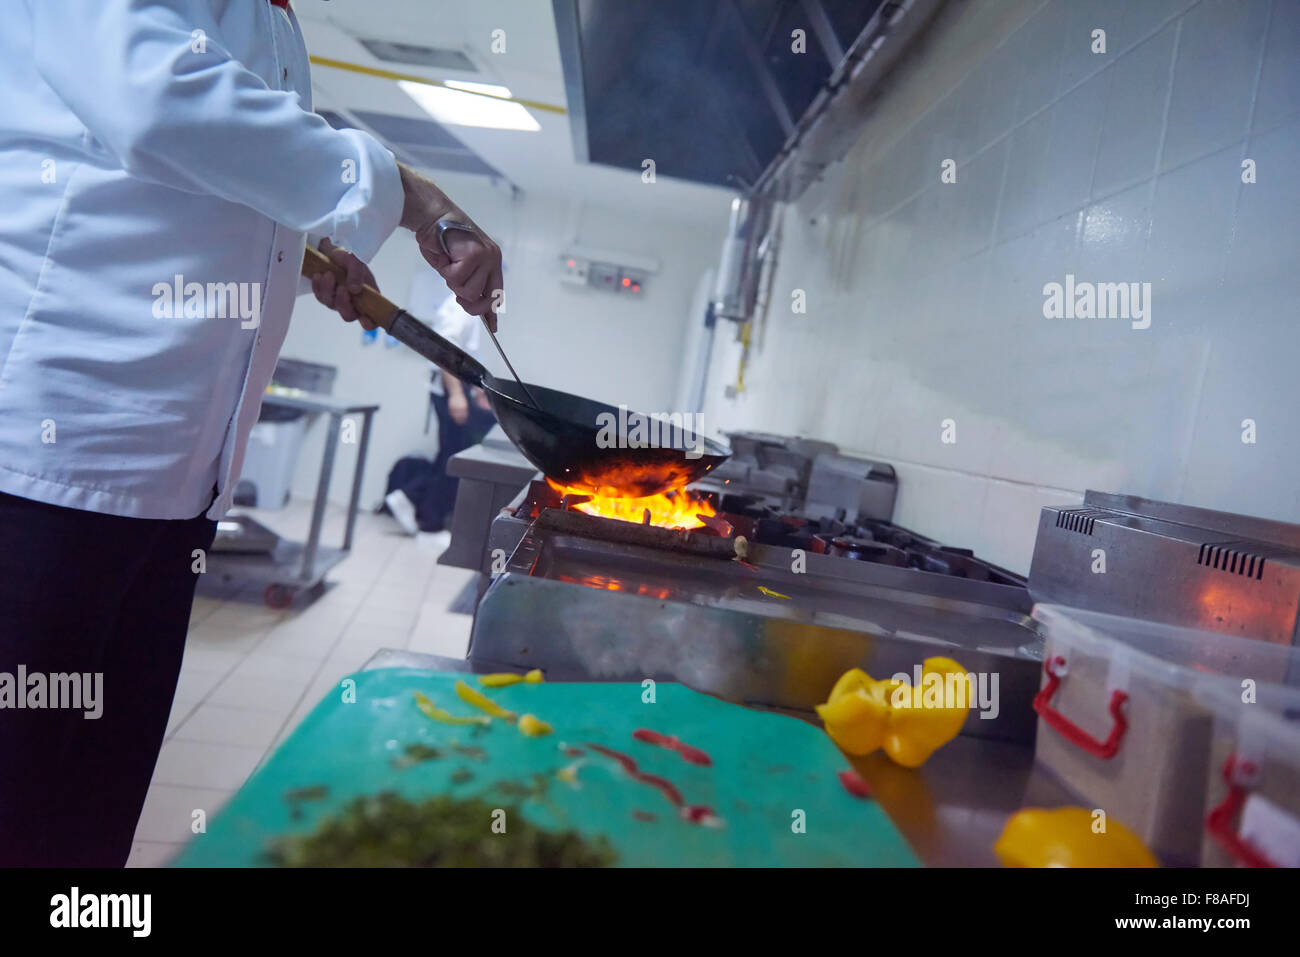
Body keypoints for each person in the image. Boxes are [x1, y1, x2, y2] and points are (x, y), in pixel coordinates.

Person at [0, 0, 503, 866]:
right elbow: (152, 104)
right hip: (47, 473)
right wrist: (405, 190)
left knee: (87, 824)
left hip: (172, 498)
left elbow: (203, 189)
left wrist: (302, 257)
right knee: (21, 806)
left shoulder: (273, 25)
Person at [384, 272, 497, 535]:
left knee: (450, 455)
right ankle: (426, 518)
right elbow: (445, 353)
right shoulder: (459, 307)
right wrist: (457, 395)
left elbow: (465, 355)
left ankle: (413, 501)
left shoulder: (468, 309)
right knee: (454, 458)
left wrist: (475, 391)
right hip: (449, 390)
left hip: (455, 389)